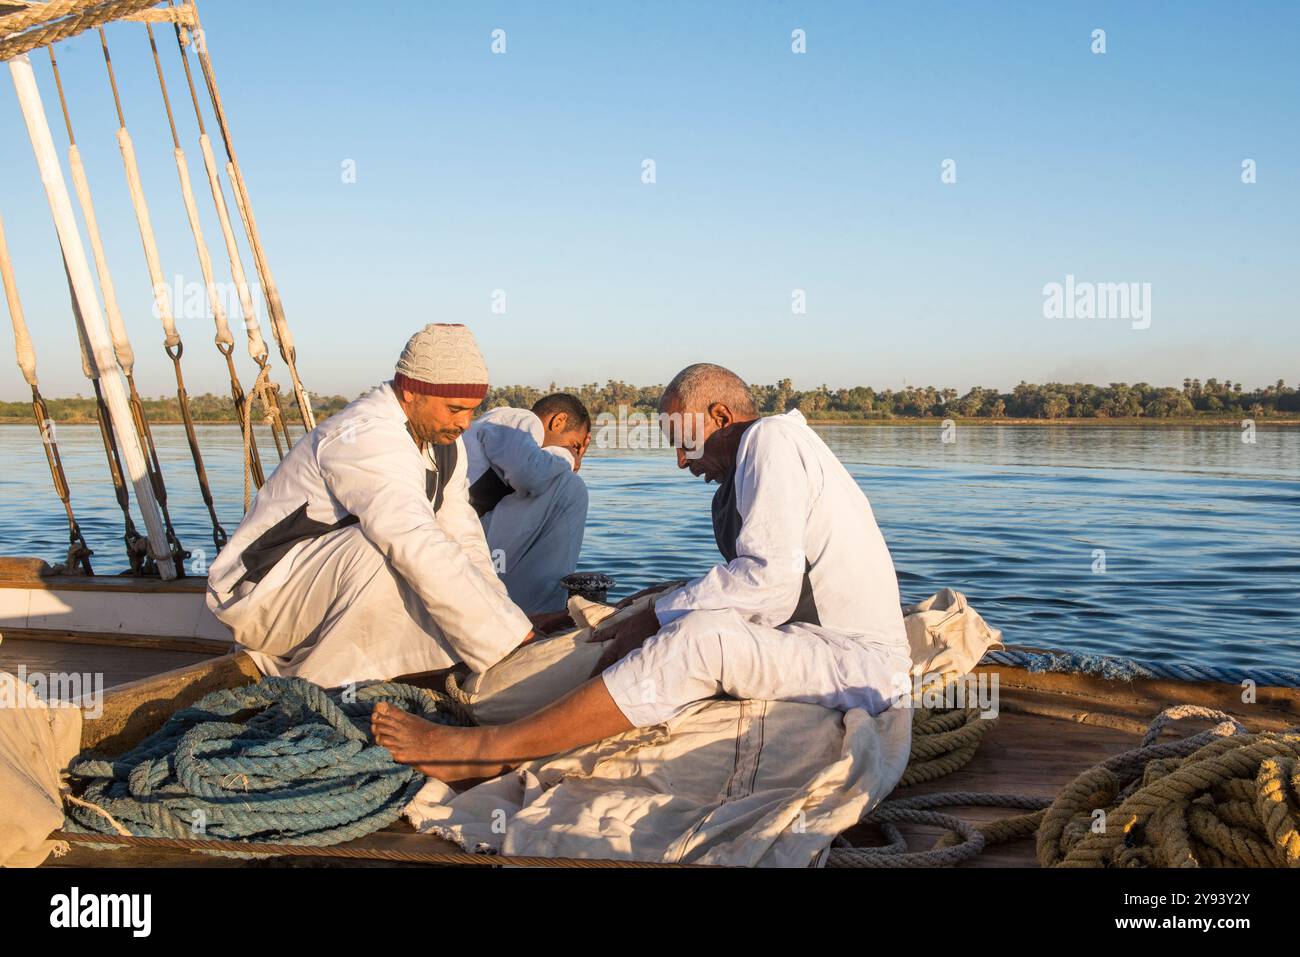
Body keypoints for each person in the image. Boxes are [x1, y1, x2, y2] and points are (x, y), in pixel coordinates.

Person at [371, 362, 912, 785]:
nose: (680, 460)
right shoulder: (758, 459)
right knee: (677, 611)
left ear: (721, 417)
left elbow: (767, 587)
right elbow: (761, 583)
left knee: (700, 640)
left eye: (684, 438)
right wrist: (667, 597)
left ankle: (487, 752)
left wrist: (655, 616)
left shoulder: (772, 440)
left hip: (856, 660)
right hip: (815, 644)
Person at [206, 323, 537, 688]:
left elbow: (465, 535)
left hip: (311, 590)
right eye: (455, 409)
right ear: (411, 392)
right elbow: (411, 538)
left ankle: (425, 671)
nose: (464, 423)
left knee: (444, 549)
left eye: (473, 411)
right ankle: (323, 685)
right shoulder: (363, 435)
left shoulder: (444, 445)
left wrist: (509, 622)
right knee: (386, 548)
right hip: (259, 596)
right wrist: (506, 640)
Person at [463, 394, 591, 614]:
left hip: (468, 529)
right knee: (571, 487)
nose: (577, 458)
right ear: (558, 421)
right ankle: (543, 612)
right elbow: (528, 473)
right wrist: (567, 457)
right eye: (575, 444)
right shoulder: (518, 419)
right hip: (461, 528)